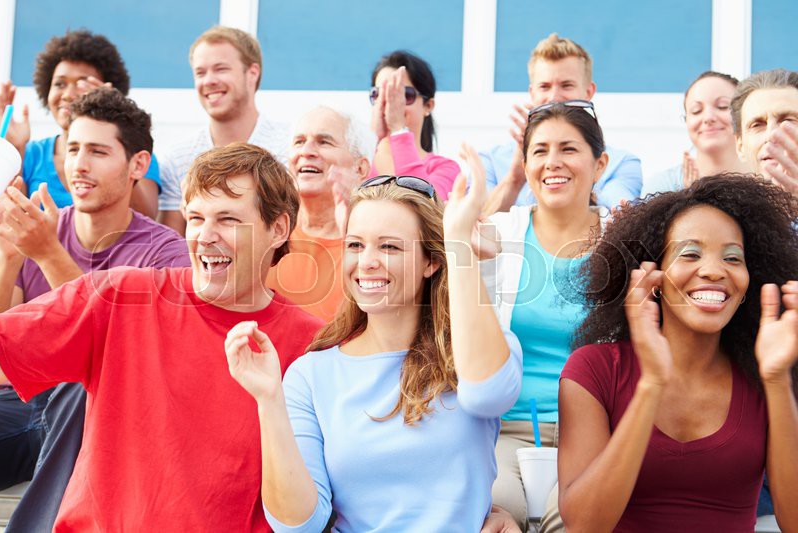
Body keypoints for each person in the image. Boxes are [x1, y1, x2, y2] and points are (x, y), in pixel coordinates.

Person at [0, 142, 322, 531]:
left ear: (279, 228)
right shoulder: (117, 297)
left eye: (229, 220)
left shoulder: (313, 346)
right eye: (197, 217)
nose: (205, 236)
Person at [225, 157, 523, 531]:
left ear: (431, 261)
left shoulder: (480, 351)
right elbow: (298, 525)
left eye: (390, 247)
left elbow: (488, 394)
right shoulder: (311, 374)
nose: (366, 262)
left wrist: (460, 247)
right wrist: (268, 401)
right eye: (355, 245)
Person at [558, 175, 798, 532]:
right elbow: (584, 526)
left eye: (733, 257)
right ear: (653, 277)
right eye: (690, 254)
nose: (714, 271)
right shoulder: (594, 370)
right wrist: (651, 384)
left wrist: (778, 380)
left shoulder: (766, 373)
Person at [0, 87, 190, 531]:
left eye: (98, 151)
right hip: (21, 405)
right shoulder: (33, 231)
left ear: (138, 166)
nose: (79, 164)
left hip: (102, 418)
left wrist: (48, 254)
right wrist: (8, 260)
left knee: (75, 394)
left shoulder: (167, 255)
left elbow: (120, 366)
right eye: (73, 148)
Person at [478, 100, 608, 530]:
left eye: (568, 149)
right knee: (493, 511)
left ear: (599, 163)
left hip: (592, 432)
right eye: (539, 151)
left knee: (570, 519)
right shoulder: (498, 235)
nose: (553, 162)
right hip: (505, 432)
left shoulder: (625, 240)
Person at [0, 29, 161, 218]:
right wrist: (16, 148)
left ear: (107, 91)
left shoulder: (134, 155)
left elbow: (146, 218)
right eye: (60, 84)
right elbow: (12, 222)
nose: (68, 94)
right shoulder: (31, 153)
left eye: (82, 84)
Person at [481, 33, 641, 213]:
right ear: (532, 93)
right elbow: (476, 229)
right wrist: (516, 178)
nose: (554, 98)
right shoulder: (490, 161)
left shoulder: (622, 163)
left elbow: (622, 215)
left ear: (589, 92)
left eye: (566, 85)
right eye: (545, 87)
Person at [157, 26, 287, 235]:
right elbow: (173, 249)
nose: (208, 81)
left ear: (252, 73)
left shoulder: (289, 149)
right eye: (200, 72)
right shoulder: (178, 158)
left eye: (221, 69)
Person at [267, 105, 374, 321]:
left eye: (324, 142)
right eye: (299, 142)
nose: (306, 151)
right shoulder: (266, 233)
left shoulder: (377, 248)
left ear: (360, 169)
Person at [368, 50, 460, 201]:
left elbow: (423, 205)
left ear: (428, 105)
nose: (391, 103)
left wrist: (399, 129)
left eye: (405, 95)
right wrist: (372, 139)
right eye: (379, 94)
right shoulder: (359, 159)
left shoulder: (445, 169)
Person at [642, 71, 748, 196]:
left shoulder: (768, 178)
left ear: (744, 115)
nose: (708, 118)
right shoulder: (661, 187)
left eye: (722, 106)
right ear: (686, 121)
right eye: (696, 111)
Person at [732, 69, 798, 197]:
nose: (771, 135)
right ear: (740, 146)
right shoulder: (719, 215)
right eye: (757, 125)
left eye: (788, 120)